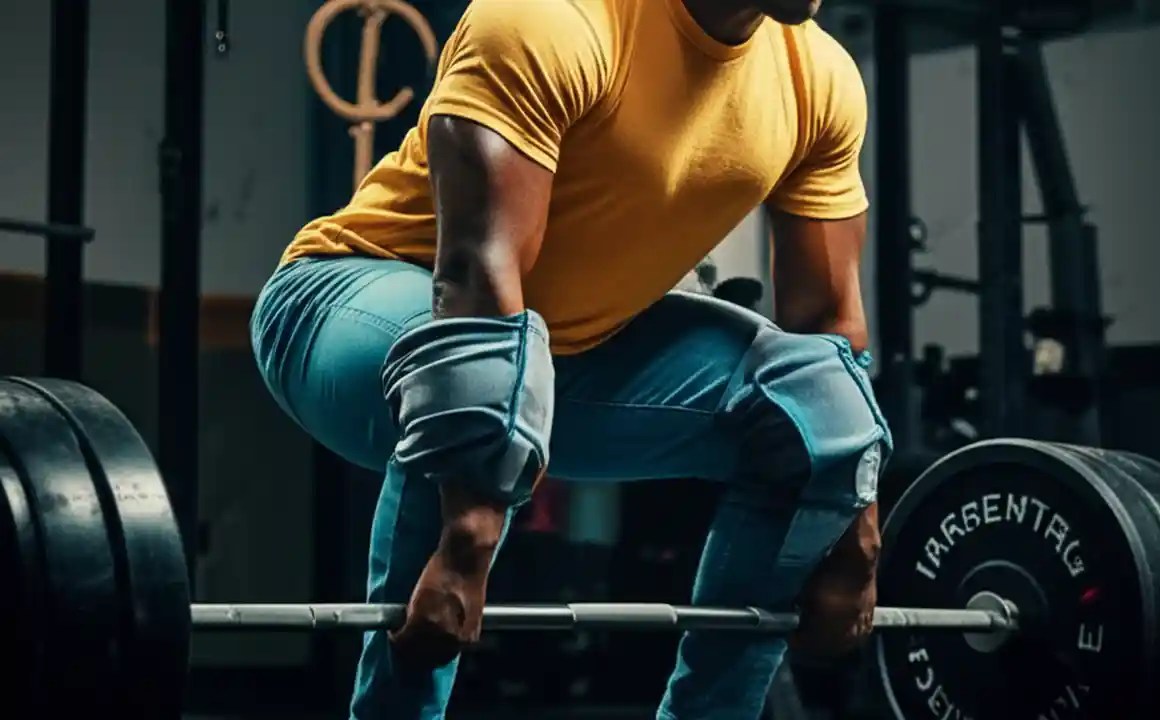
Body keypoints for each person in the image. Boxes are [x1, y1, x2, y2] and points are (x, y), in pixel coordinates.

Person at [249, 0, 891, 717]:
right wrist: (467, 544)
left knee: (808, 401)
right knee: (486, 372)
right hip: (344, 303)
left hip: (557, 358)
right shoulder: (549, 18)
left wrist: (854, 528)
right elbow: (473, 277)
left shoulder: (819, 77)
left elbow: (828, 331)